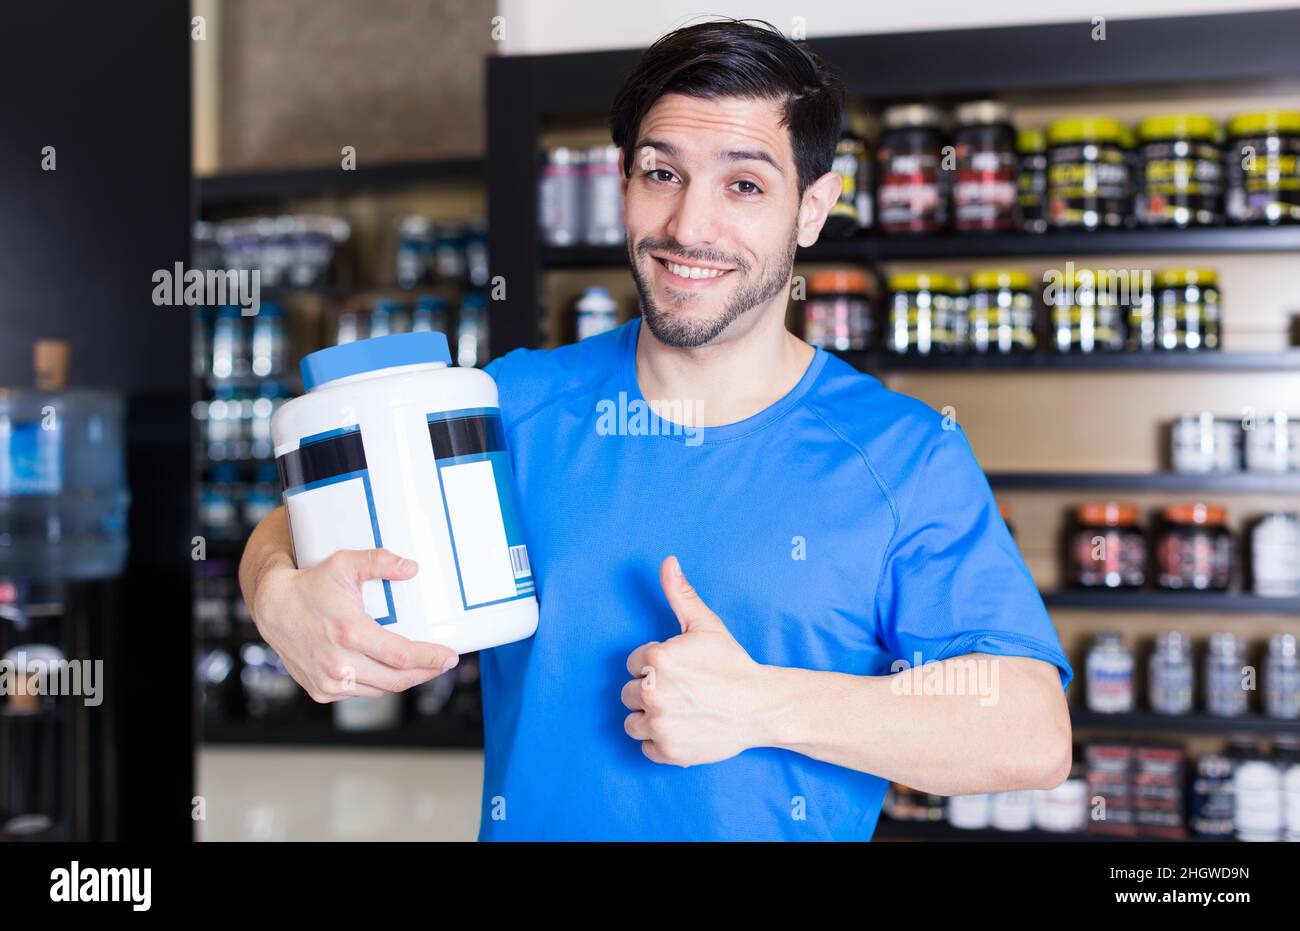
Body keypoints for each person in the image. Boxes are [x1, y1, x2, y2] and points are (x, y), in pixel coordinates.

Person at [239, 18, 1073, 841]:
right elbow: (299, 518)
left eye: (744, 184)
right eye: (661, 173)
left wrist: (764, 706)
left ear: (813, 207)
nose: (689, 227)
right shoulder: (510, 401)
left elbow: (1030, 732)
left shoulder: (904, 453)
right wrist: (276, 592)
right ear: (623, 183)